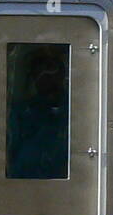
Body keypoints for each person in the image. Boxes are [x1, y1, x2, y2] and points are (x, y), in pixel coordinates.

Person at [7, 51, 70, 179]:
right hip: (22, 178)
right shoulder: (21, 111)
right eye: (42, 75)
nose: (48, 81)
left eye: (53, 75)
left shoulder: (73, 110)